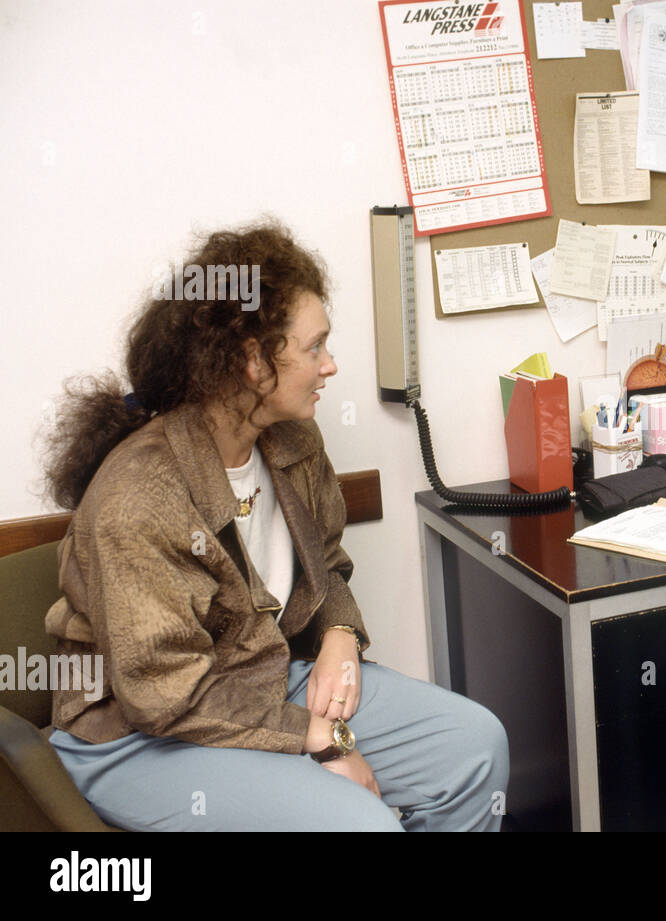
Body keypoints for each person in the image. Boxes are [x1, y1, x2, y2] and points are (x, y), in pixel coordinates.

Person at [41, 222, 508, 831]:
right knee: (360, 825)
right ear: (252, 361)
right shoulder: (138, 497)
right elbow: (162, 693)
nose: (330, 365)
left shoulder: (291, 440)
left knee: (473, 745)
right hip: (139, 733)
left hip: (258, 681)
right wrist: (329, 740)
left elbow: (328, 563)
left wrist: (340, 632)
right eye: (315, 347)